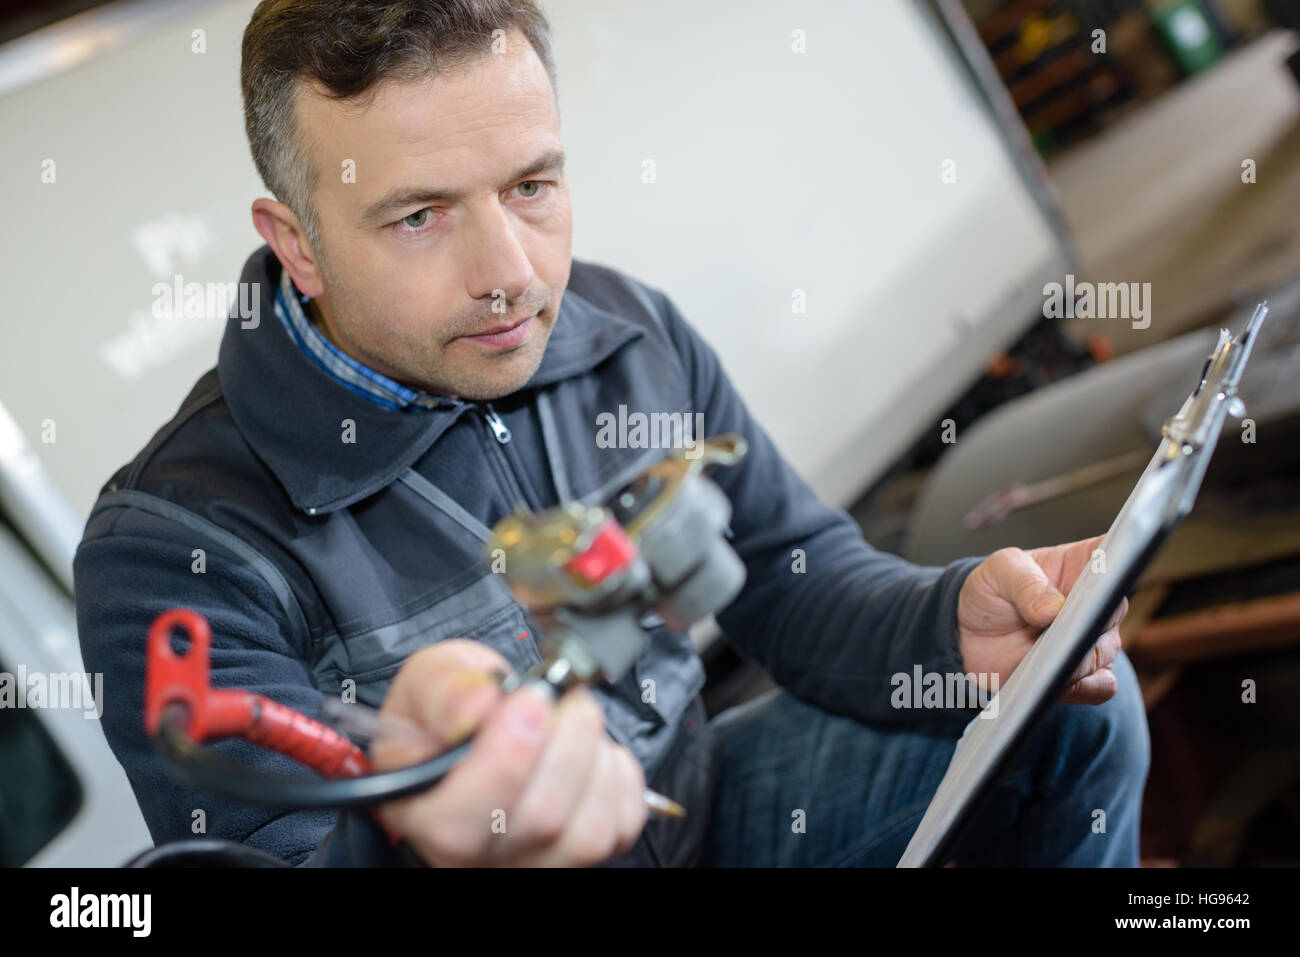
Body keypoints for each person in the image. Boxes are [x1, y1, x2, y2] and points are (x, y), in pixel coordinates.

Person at [74, 0, 1149, 867]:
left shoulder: (623, 334)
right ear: (297, 245)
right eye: (420, 216)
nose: (511, 275)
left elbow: (792, 573)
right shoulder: (172, 547)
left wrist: (941, 629)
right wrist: (421, 838)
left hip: (701, 817)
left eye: (531, 186)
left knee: (1066, 707)